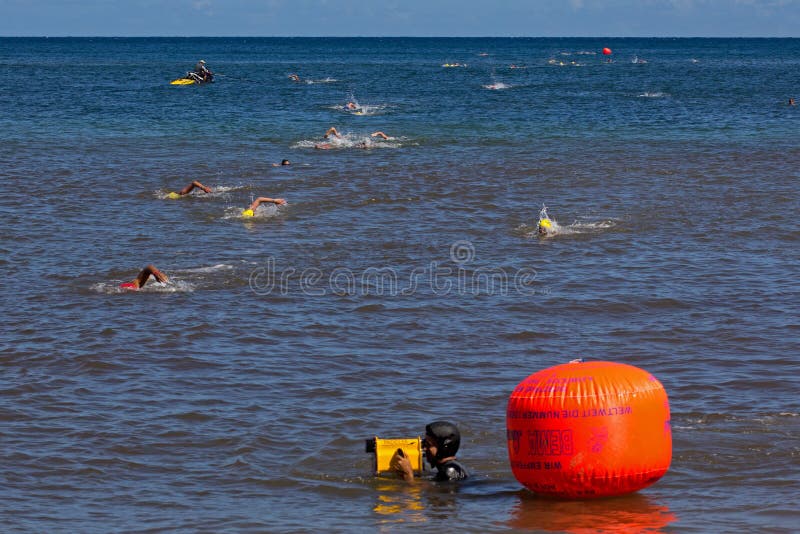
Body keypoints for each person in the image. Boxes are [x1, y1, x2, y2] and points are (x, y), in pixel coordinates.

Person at [392, 421, 469, 483]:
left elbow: (442, 494)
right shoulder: (449, 468)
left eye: (428, 445)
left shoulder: (450, 470)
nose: (424, 449)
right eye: (424, 443)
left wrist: (408, 474)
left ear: (444, 448)